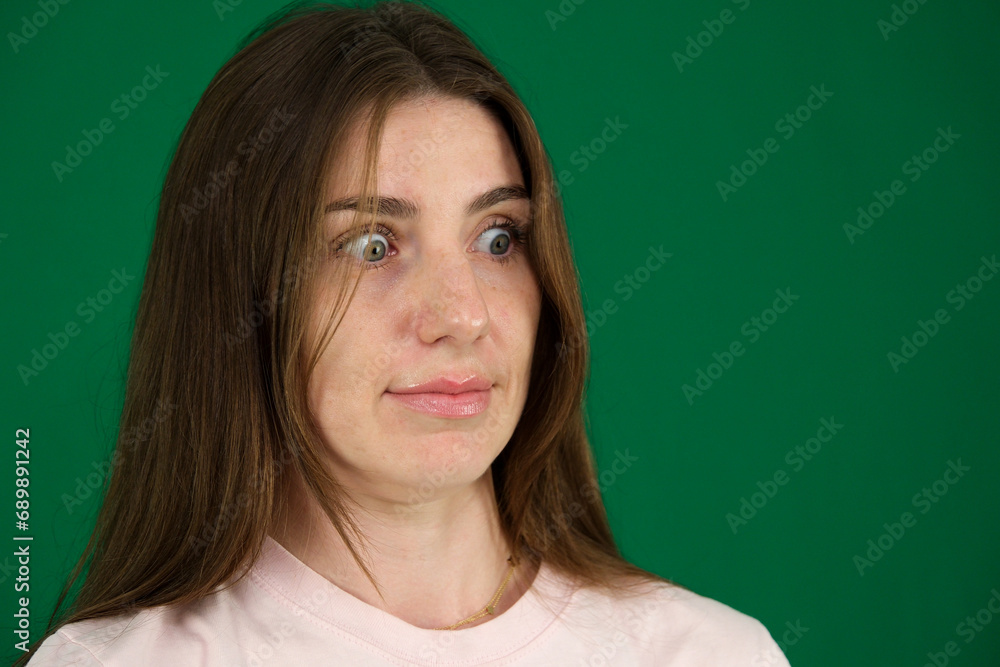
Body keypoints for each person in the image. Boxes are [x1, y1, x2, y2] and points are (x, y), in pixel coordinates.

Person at [23, 1, 789, 665]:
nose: (462, 315)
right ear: (243, 299)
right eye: (372, 245)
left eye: (498, 238)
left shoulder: (712, 655)